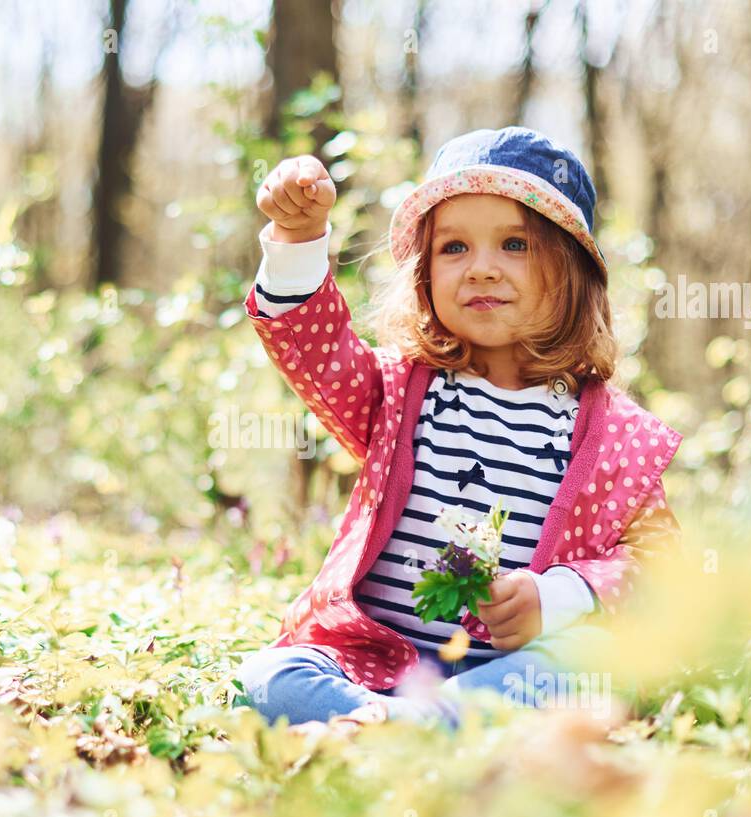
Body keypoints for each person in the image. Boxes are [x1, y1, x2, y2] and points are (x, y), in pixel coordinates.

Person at [235, 127, 684, 732]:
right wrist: (297, 239)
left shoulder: (610, 438)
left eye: (515, 245)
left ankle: (402, 731)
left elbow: (658, 565)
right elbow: (316, 354)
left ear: (574, 274)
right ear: (423, 273)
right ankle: (409, 729)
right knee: (268, 679)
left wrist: (557, 597)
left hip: (510, 672)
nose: (481, 269)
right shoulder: (397, 394)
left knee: (595, 663)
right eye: (453, 248)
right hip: (372, 664)